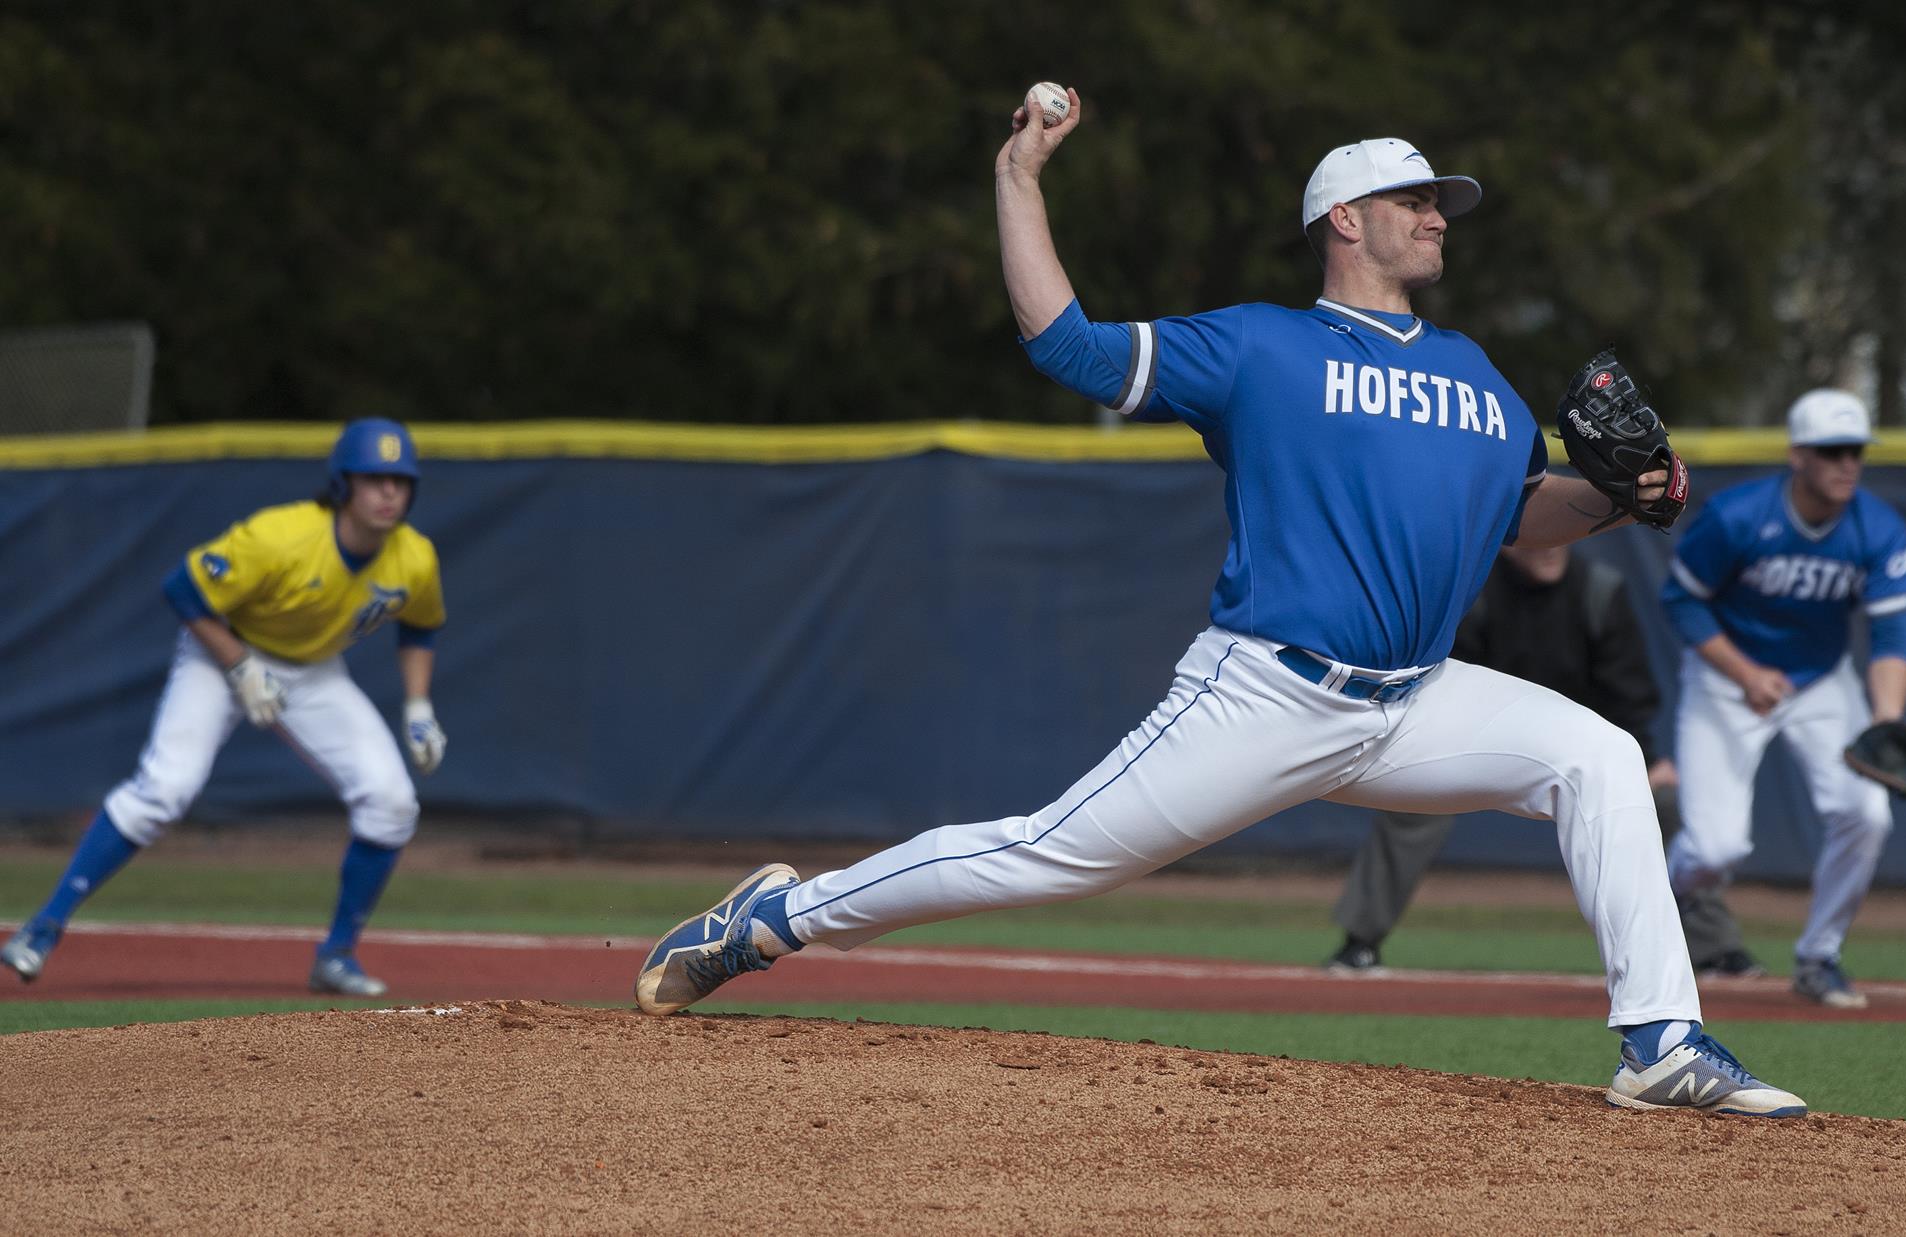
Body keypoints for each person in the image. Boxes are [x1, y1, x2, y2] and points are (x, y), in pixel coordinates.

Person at [633, 89, 1808, 1117]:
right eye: (1413, 198)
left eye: (1440, 201)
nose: (1438, 215)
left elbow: (1517, 516)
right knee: (1046, 854)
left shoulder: (1480, 382)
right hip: (1267, 692)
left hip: (1414, 702)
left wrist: (1620, 501)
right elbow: (1069, 349)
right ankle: (772, 920)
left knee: (1597, 755)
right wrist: (1018, 179)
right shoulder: (1258, 348)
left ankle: (1660, 1043)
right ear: (1343, 218)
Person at [1, 419, 449, 996]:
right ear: (343, 484)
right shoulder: (280, 537)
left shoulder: (414, 558)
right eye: (374, 479)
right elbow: (182, 589)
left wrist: (418, 705)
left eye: (400, 481)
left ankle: (336, 956)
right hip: (220, 654)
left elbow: (420, 627)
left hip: (313, 672)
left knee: (391, 801)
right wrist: (240, 667)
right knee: (166, 789)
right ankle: (42, 928)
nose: (389, 492)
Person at [1326, 541, 1762, 979]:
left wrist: (1645, 758)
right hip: (1478, 742)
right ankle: (1359, 942)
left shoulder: (1598, 591)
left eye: (1562, 538)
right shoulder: (1473, 591)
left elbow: (1627, 691)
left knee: (1662, 802)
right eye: (1541, 538)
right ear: (1511, 540)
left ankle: (1715, 947)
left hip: (1573, 746)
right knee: (1410, 807)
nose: (1551, 549)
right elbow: (1441, 682)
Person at [1660, 389, 1906, 1009]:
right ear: (1798, 454)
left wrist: (1886, 722)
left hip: (1822, 681)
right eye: (1832, 451)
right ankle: (1659, 899)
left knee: (1867, 813)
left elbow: (1890, 637)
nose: (1847, 464)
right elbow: (1682, 600)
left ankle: (1819, 956)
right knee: (1716, 848)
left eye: (1855, 451)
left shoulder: (1879, 529)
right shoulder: (1738, 518)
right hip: (1726, 680)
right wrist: (1746, 673)